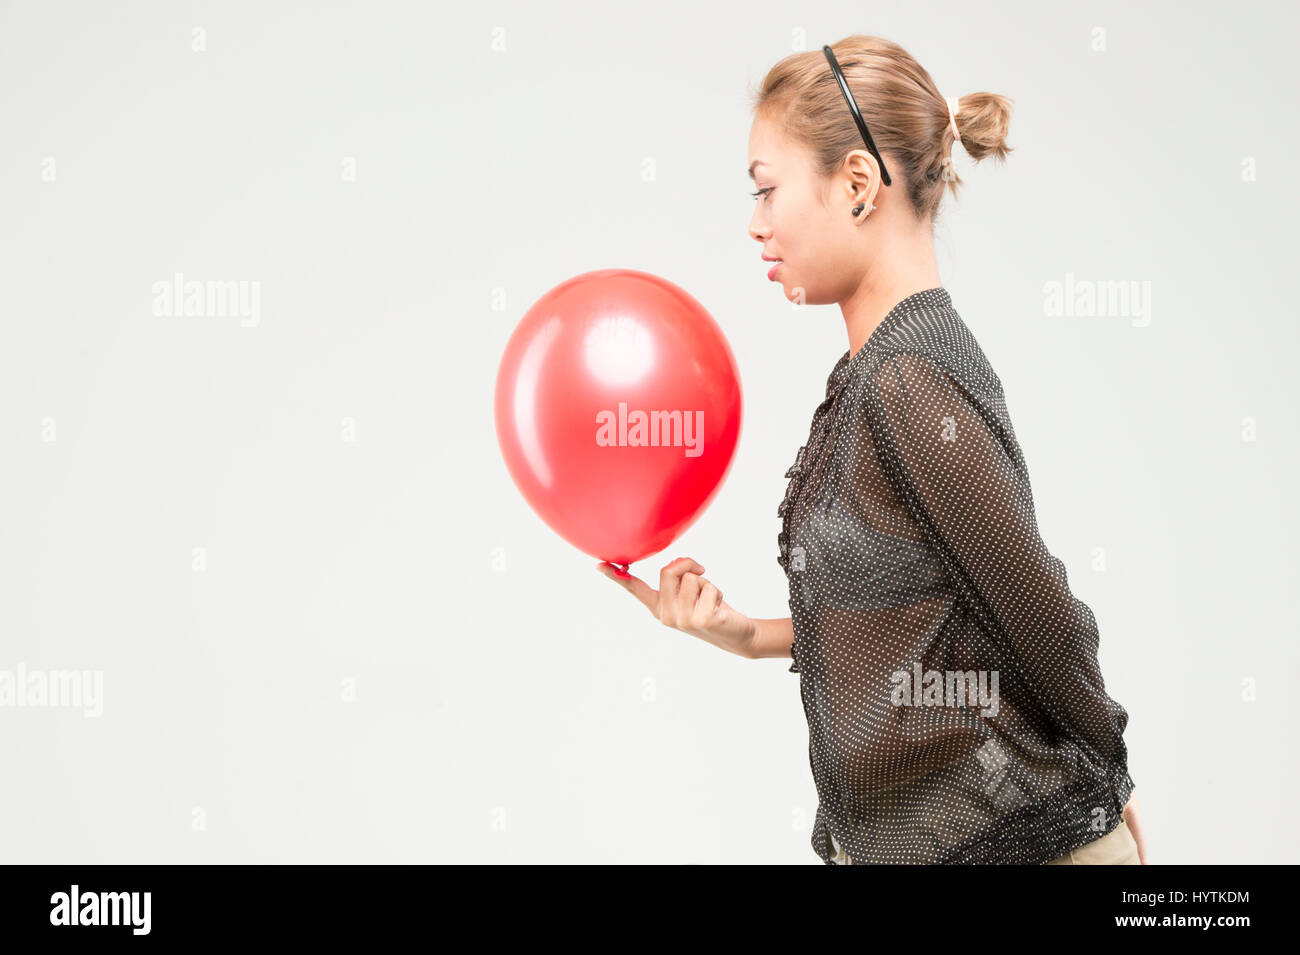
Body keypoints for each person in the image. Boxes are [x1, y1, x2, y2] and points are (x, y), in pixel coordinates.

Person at [597, 35, 1145, 866]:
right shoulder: (876, 369)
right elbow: (914, 609)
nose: (755, 223)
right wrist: (743, 633)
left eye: (767, 189)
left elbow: (1037, 609)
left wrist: (1114, 779)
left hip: (1013, 845)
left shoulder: (909, 378)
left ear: (856, 185)